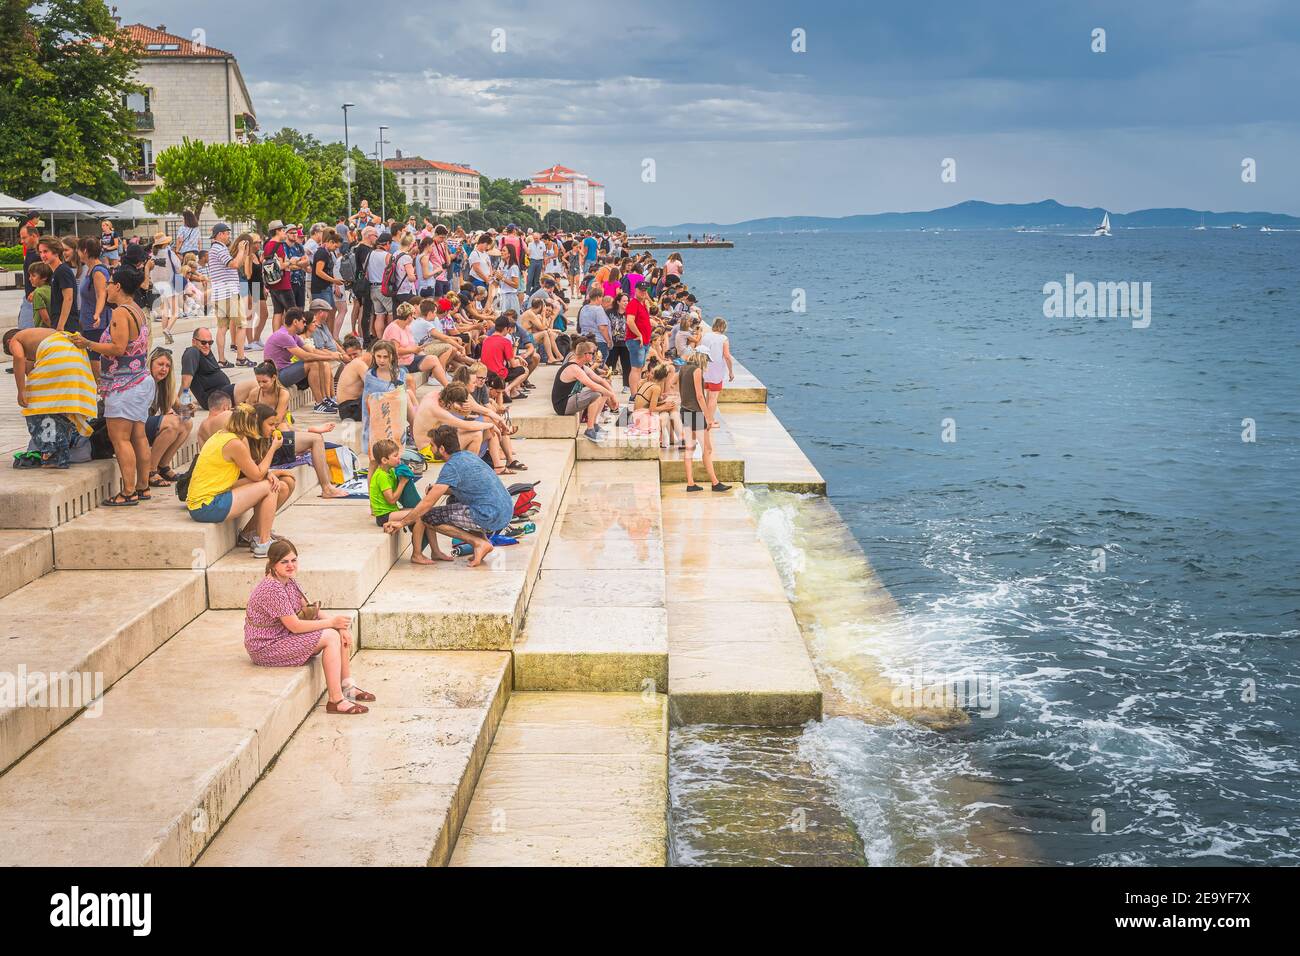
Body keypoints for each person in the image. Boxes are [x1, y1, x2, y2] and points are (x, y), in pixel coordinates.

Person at [244, 539, 372, 715]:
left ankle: (347, 686)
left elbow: (311, 610)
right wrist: (332, 624)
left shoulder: (289, 581)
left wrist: (340, 627)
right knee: (330, 635)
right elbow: (295, 626)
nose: (291, 565)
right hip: (266, 646)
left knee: (336, 633)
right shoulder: (272, 589)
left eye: (293, 560)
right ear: (273, 564)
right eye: (284, 562)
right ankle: (336, 700)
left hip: (283, 636)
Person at [71, 267, 152, 505]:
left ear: (118, 287)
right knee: (139, 436)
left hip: (125, 384)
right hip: (139, 379)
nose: (105, 288)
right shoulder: (137, 310)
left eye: (109, 283)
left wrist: (88, 343)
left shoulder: (120, 313)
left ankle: (128, 492)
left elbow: (118, 348)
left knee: (121, 439)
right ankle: (143, 486)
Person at [384, 425, 513, 567]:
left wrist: (402, 522)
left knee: (428, 516)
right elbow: (471, 489)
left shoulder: (451, 467)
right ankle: (480, 546)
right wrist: (441, 490)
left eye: (432, 445)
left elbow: (427, 503)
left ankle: (479, 543)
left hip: (489, 515)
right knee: (453, 499)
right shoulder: (467, 455)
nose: (430, 448)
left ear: (442, 449)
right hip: (505, 511)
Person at [185, 402, 292, 556]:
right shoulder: (234, 443)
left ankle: (254, 535)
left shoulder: (222, 435)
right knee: (270, 487)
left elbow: (255, 474)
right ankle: (263, 543)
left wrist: (268, 474)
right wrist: (273, 448)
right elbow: (256, 475)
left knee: (270, 482)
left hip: (202, 503)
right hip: (207, 506)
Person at [4, 327, 96, 468]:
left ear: (9, 341)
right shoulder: (38, 335)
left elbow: (18, 357)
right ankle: (60, 457)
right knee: (60, 408)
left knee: (34, 408)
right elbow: (31, 371)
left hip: (58, 356)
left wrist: (21, 391)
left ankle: (52, 454)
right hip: (77, 358)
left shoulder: (16, 339)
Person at [678, 352, 729, 493]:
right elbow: (700, 396)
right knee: (707, 449)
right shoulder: (697, 370)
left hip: (684, 411)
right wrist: (708, 417)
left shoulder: (682, 368)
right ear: (702, 358)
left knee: (689, 448)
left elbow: (679, 389)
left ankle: (690, 483)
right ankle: (715, 482)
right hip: (696, 414)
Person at [144, 347, 194, 487]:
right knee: (172, 424)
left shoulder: (164, 384)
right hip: (132, 425)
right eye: (160, 364)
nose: (164, 369)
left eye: (167, 366)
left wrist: (189, 409)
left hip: (145, 424)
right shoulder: (144, 381)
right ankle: (150, 470)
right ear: (150, 363)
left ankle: (163, 466)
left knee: (187, 422)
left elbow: (182, 412)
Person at [552, 341, 619, 441]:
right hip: (562, 405)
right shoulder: (574, 368)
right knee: (596, 394)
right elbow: (593, 386)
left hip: (570, 401)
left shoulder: (582, 367)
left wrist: (613, 396)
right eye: (592, 353)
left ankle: (595, 425)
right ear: (586, 354)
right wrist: (611, 395)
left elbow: (601, 381)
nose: (594, 355)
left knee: (603, 392)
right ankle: (589, 429)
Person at [207, 222, 252, 368]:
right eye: (227, 233)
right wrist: (240, 251)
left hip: (220, 292)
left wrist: (243, 253)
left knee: (222, 327)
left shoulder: (215, 249)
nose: (228, 237)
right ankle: (241, 357)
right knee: (242, 325)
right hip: (229, 292)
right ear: (220, 234)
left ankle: (222, 360)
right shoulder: (220, 249)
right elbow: (233, 264)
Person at [181, 327, 236, 411]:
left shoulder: (205, 352)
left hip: (223, 393)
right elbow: (186, 381)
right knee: (252, 386)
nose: (207, 345)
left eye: (210, 343)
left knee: (255, 392)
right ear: (194, 342)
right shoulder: (192, 352)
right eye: (203, 342)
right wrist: (178, 403)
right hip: (215, 398)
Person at [144, 232, 183, 343]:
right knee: (176, 312)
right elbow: (178, 267)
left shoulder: (153, 255)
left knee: (165, 310)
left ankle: (167, 339)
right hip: (170, 283)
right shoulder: (169, 253)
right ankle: (167, 330)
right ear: (165, 243)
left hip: (158, 285)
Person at [698, 317, 734, 427]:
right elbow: (727, 356)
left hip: (705, 368)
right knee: (713, 397)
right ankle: (710, 421)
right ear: (723, 327)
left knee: (708, 394)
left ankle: (706, 417)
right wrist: (731, 371)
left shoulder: (705, 336)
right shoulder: (723, 339)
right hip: (716, 371)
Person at [38, 237, 78, 333]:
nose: (43, 255)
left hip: (67, 325)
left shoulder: (62, 271)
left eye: (45, 251)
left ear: (56, 252)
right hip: (59, 322)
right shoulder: (56, 272)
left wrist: (60, 326)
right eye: (40, 252)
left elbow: (68, 298)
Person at [625, 282, 653, 396]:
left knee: (640, 368)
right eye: (641, 290)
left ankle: (637, 393)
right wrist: (639, 334)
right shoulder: (633, 304)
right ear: (635, 290)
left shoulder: (643, 304)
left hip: (644, 341)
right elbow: (630, 321)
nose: (643, 292)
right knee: (636, 368)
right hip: (636, 340)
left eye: (645, 290)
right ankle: (634, 395)